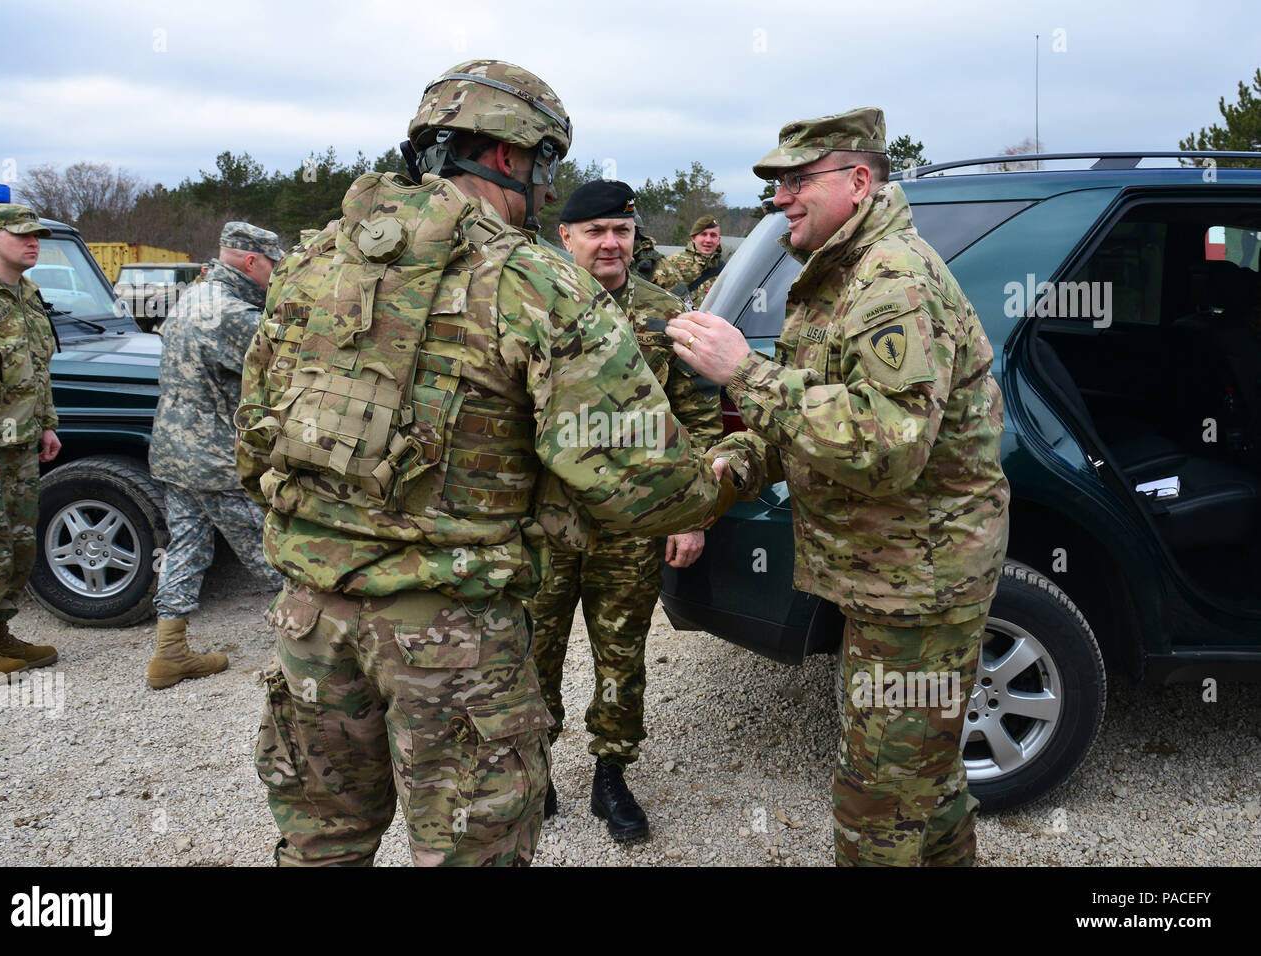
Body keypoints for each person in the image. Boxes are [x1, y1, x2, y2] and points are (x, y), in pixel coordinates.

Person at [236, 59, 732, 867]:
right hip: (452, 639)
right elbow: (650, 490)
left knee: (319, 848)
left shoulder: (311, 266)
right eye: (548, 166)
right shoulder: (535, 282)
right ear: (512, 157)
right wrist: (736, 464)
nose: (548, 186)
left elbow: (253, 444)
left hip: (309, 625)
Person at [666, 108, 1009, 866]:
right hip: (888, 580)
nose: (781, 197)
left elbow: (888, 450)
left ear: (859, 181)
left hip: (919, 589)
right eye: (775, 185)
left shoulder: (893, 282)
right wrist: (725, 468)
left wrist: (741, 370)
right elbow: (801, 416)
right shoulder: (834, 276)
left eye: (797, 181)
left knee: (877, 807)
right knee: (929, 780)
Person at [529, 179, 722, 841]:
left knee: (621, 656)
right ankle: (535, 770)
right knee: (532, 653)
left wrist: (694, 514)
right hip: (543, 525)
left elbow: (697, 418)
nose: (611, 243)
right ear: (566, 237)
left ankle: (611, 774)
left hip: (631, 526)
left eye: (622, 230)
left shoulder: (666, 313)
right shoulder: (531, 306)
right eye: (596, 231)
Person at [145, 221, 285, 689]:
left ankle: (170, 653)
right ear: (251, 261)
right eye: (272, 264)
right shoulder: (232, 313)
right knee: (273, 554)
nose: (275, 274)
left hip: (173, 452)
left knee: (186, 547)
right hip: (218, 460)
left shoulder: (194, 297)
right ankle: (311, 654)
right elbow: (285, 371)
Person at [0, 203, 61, 682]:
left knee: (20, 550)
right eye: (21, 234)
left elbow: (37, 370)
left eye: (36, 235)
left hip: (20, 448)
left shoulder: (29, 295)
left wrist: (46, 423)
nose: (32, 242)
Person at [652, 214, 726, 307]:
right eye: (703, 234)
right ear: (694, 238)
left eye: (713, 235)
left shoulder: (725, 270)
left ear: (718, 240)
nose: (708, 240)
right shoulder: (674, 261)